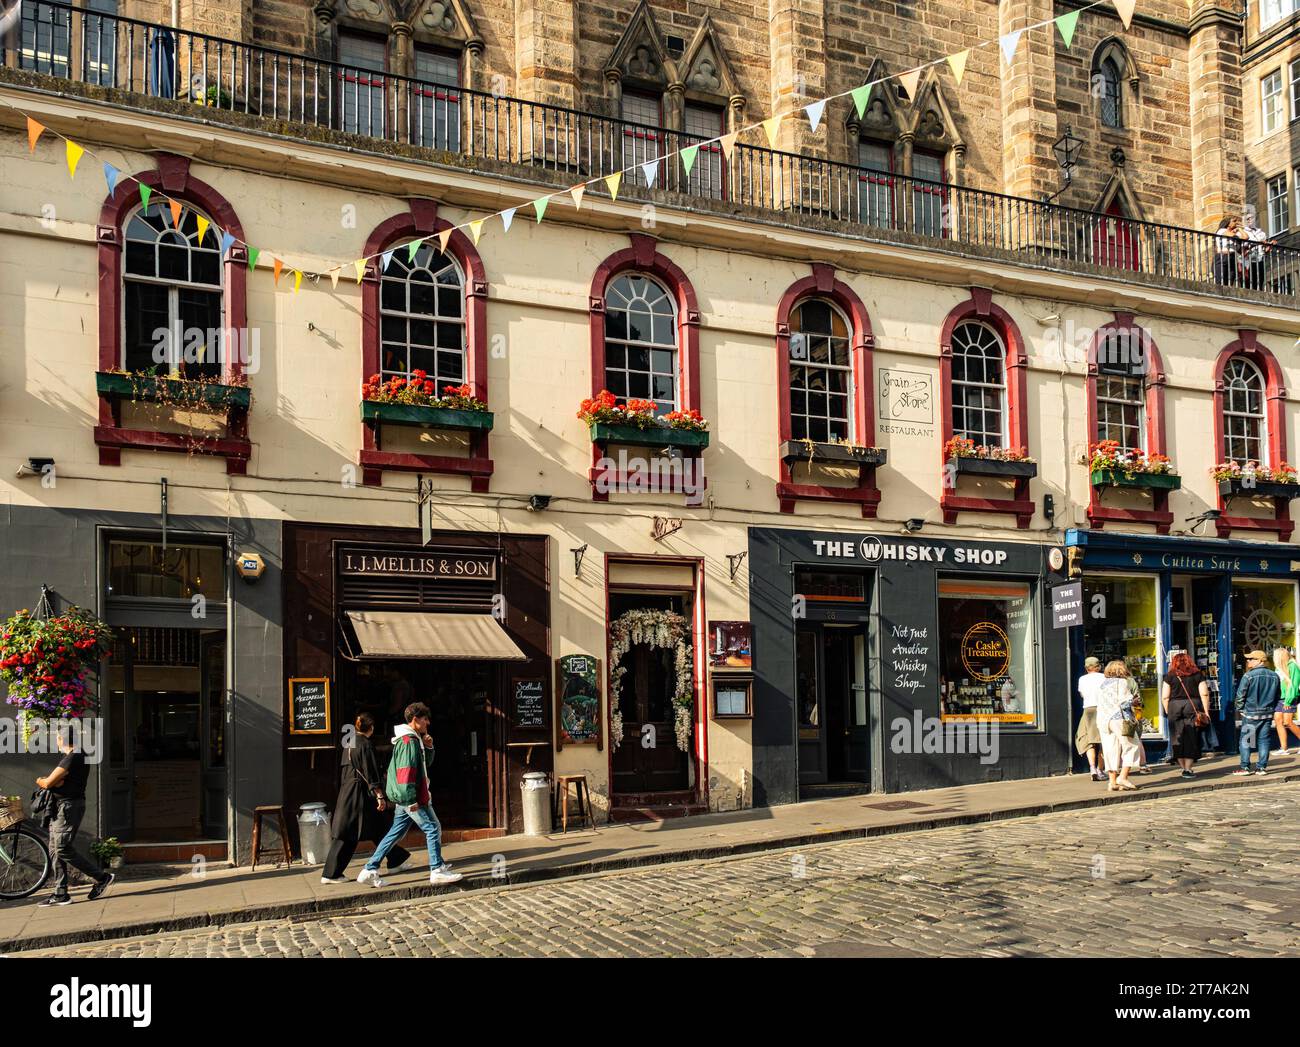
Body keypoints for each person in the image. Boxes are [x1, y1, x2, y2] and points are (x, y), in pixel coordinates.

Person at [358, 702, 462, 888]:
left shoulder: (412, 740)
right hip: (411, 797)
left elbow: (422, 766)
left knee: (398, 832)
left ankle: (369, 869)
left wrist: (428, 747)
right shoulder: (409, 742)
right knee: (431, 828)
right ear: (415, 720)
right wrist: (411, 800)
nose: (428, 722)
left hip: (411, 796)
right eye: (425, 719)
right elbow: (406, 773)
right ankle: (437, 870)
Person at [321, 713, 411, 884]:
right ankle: (331, 873)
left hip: (349, 790)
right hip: (360, 795)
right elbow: (370, 771)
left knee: (379, 828)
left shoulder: (349, 742)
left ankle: (396, 859)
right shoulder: (366, 744)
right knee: (348, 833)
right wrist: (379, 794)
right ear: (371, 728)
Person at [35, 726, 115, 906]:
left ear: (62, 740)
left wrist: (41, 780)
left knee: (62, 847)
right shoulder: (77, 755)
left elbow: (48, 782)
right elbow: (59, 781)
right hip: (63, 807)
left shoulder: (73, 757)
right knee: (55, 850)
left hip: (68, 807)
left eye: (57, 738)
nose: (56, 741)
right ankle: (60, 893)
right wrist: (55, 782)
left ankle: (102, 877)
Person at [1161, 651, 1212, 778]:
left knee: (1177, 737)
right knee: (1191, 736)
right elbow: (1204, 694)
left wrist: (1169, 711)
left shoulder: (1170, 676)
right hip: (1193, 706)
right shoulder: (1197, 674)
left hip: (1174, 706)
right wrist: (1206, 712)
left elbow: (1165, 697)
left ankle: (1183, 767)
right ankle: (1188, 769)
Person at [1234, 649, 1281, 776]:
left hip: (1250, 714)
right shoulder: (1274, 676)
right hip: (1267, 714)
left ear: (1260, 660)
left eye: (1251, 659)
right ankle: (1261, 768)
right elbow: (1278, 696)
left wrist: (1240, 709)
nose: (1248, 661)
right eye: (1248, 659)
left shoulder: (1248, 676)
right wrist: (1272, 708)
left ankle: (1245, 767)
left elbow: (1240, 696)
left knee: (1246, 741)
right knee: (1263, 740)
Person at [1097, 659, 1141, 791]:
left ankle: (1112, 782)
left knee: (1110, 749)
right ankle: (1123, 777)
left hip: (1103, 720)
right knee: (1132, 745)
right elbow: (1124, 703)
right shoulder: (1122, 682)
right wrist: (1134, 701)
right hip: (1119, 718)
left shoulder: (1103, 684)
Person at [1075, 656, 1107, 781]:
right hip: (1102, 709)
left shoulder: (1082, 679)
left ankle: (1092, 768)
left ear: (1086, 668)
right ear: (1098, 667)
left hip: (1088, 710)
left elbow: (1082, 694)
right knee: (1103, 740)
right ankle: (1100, 770)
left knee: (1089, 740)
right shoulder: (1104, 677)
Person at [1272, 647, 1300, 756]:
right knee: (1278, 720)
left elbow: (1294, 685)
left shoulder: (1292, 666)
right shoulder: (1278, 668)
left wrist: (1288, 701)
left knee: (1288, 722)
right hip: (1279, 698)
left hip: (1289, 698)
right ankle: (1284, 748)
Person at [1242, 212, 1271, 291]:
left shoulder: (1261, 233)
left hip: (1260, 258)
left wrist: (1268, 246)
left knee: (1261, 278)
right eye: (1247, 219)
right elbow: (1242, 245)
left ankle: (1259, 291)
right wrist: (1255, 244)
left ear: (1255, 219)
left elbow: (1265, 249)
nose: (1249, 220)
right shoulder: (1244, 232)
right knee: (1251, 278)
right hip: (1249, 259)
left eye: (1251, 218)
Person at [1213, 216, 1241, 286]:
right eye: (1234, 221)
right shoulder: (1222, 230)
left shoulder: (1233, 233)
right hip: (1223, 257)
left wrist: (1240, 229)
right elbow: (1237, 237)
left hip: (1232, 258)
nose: (1236, 223)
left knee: (1230, 282)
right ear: (1228, 223)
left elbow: (1246, 237)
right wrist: (1237, 233)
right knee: (1220, 281)